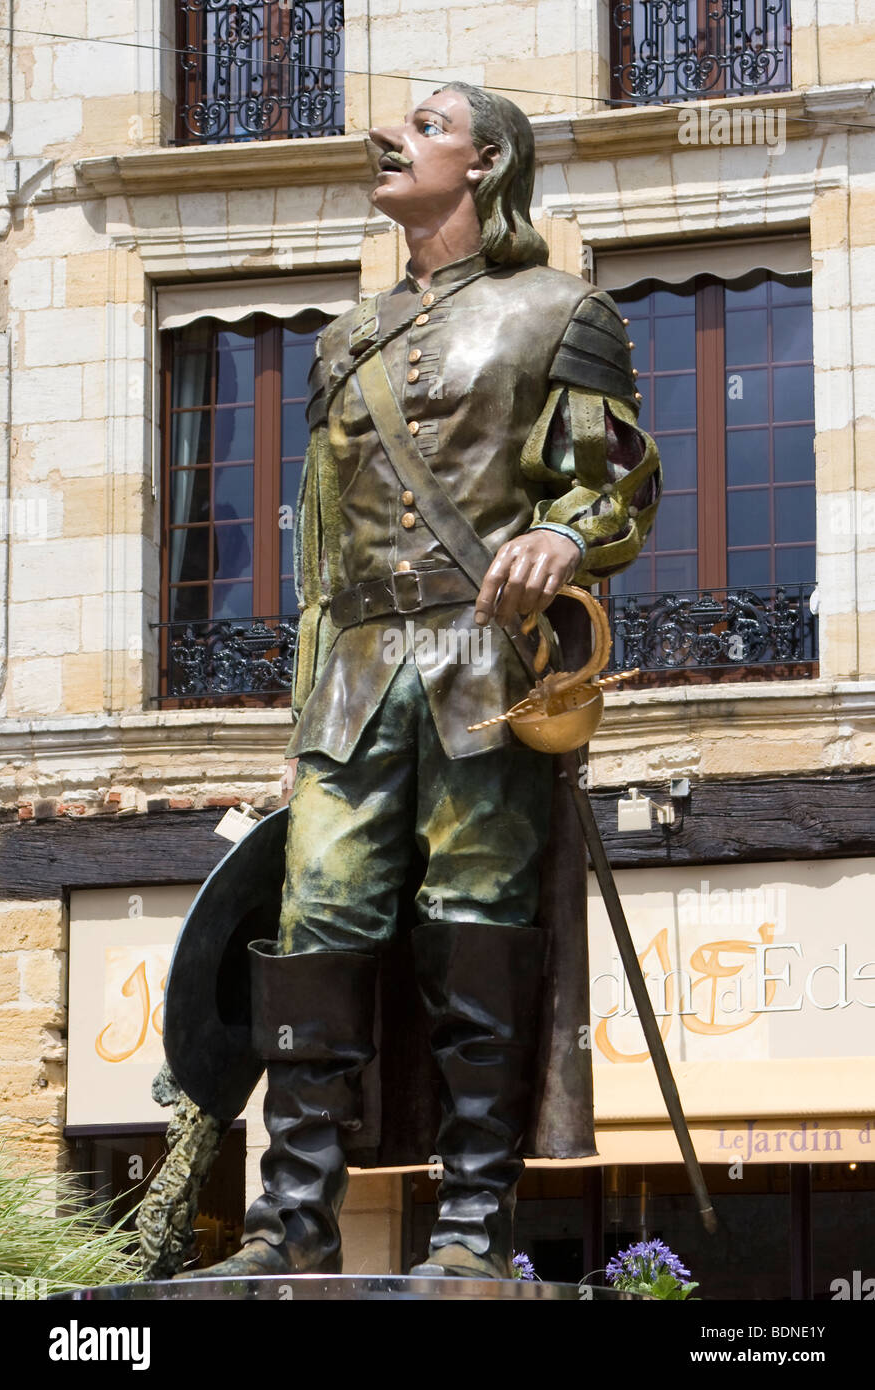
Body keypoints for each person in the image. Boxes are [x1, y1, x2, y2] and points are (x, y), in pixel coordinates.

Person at [182, 81, 661, 1282]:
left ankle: (469, 1233)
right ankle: (287, 1227)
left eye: (427, 127)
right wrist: (297, 711)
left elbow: (615, 483)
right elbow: (315, 545)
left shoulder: (565, 310)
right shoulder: (345, 339)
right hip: (348, 680)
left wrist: (567, 536)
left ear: (488, 162)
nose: (389, 139)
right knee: (313, 927)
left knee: (476, 933)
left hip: (481, 671)